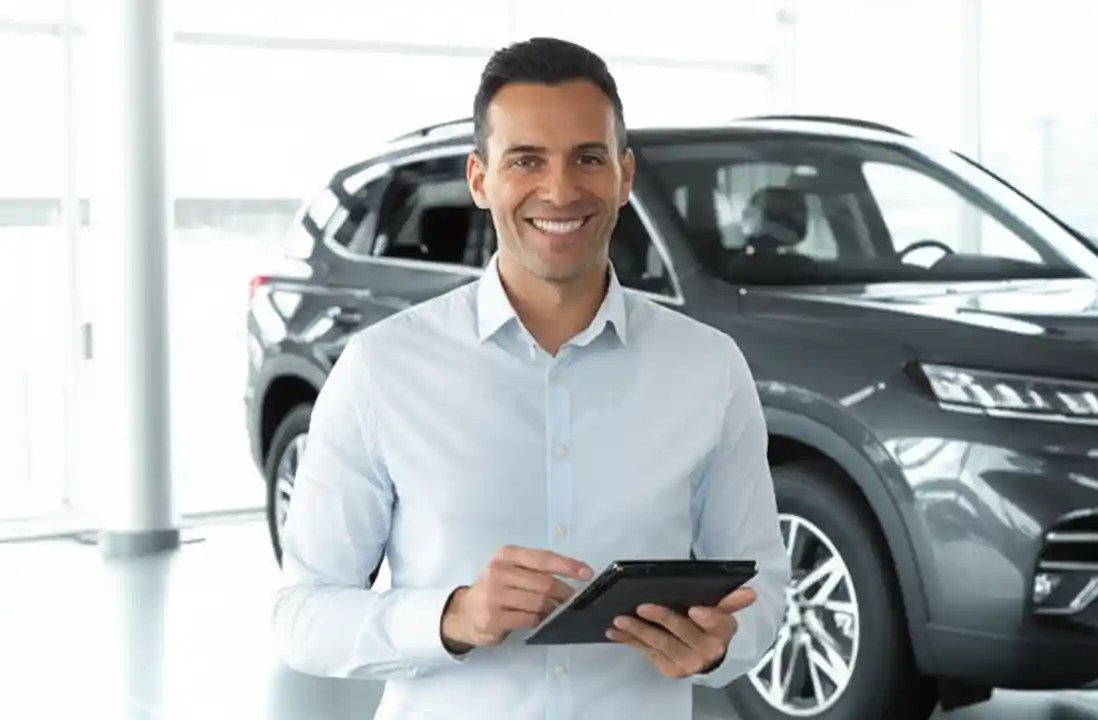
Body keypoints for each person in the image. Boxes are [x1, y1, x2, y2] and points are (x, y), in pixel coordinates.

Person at [271, 36, 790, 719]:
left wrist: (724, 644)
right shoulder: (380, 370)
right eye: (526, 160)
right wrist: (452, 617)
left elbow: (767, 591)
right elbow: (303, 617)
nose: (561, 189)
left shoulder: (708, 367)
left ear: (624, 176)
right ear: (480, 180)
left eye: (588, 158)